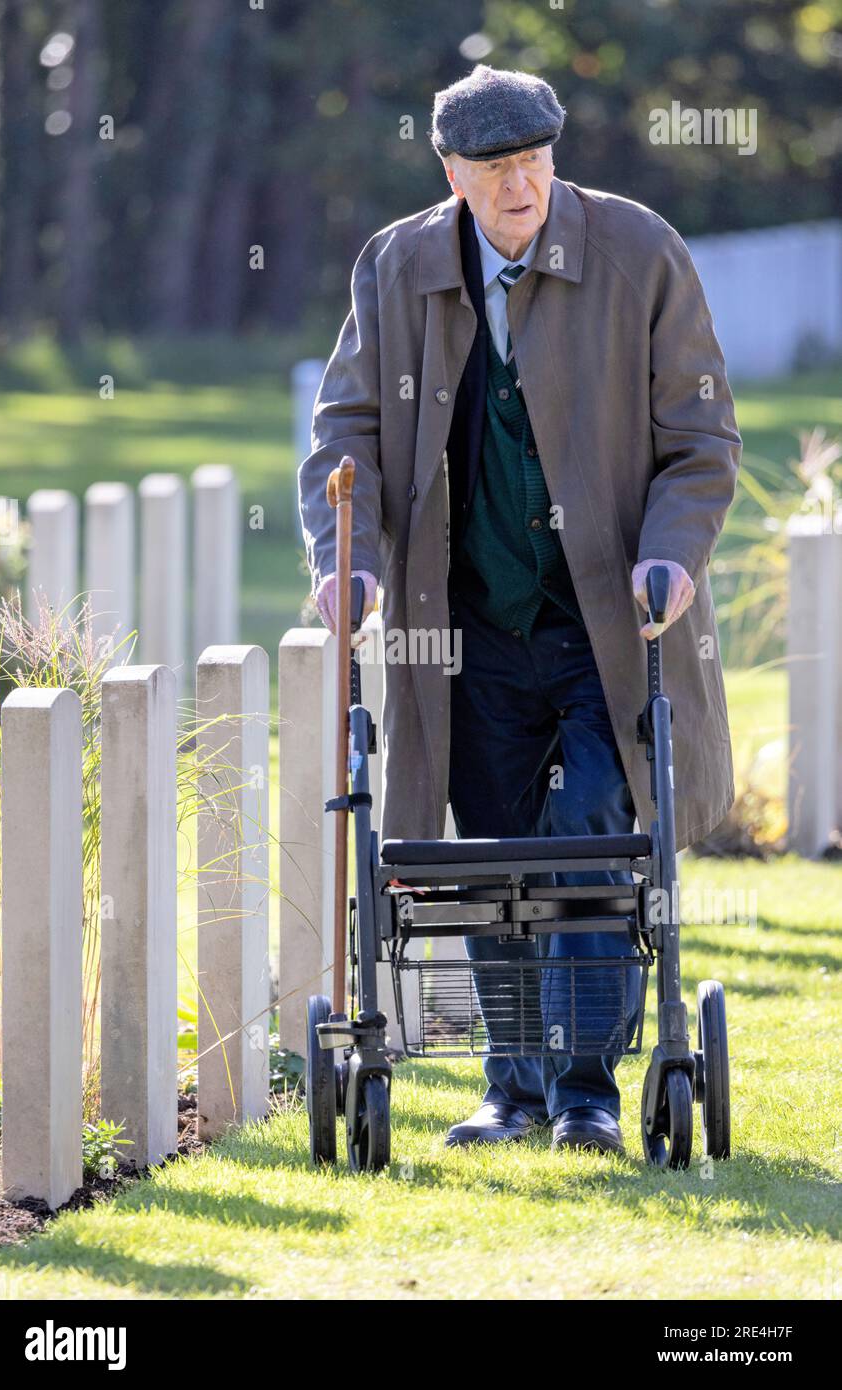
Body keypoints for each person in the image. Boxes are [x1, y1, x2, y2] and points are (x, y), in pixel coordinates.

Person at [299, 63, 741, 1155]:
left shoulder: (640, 253)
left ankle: (586, 1087)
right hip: (466, 631)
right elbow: (342, 434)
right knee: (491, 854)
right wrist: (343, 559)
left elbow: (701, 442)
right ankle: (514, 1087)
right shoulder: (398, 268)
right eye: (494, 170)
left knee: (589, 834)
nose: (520, 188)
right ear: (450, 173)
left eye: (535, 163)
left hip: (608, 623)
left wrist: (672, 557)